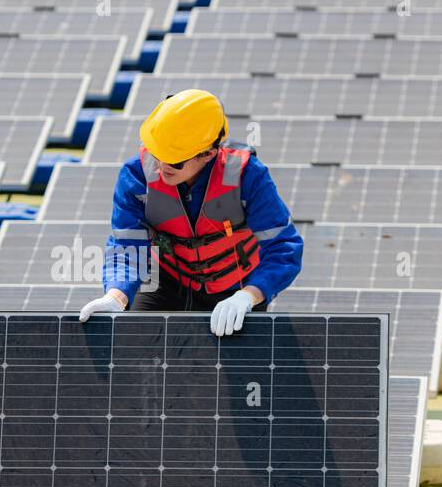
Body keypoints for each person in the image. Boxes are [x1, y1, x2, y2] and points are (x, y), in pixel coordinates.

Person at [78, 89, 304, 335]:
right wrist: (116, 295)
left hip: (236, 290)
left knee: (239, 364)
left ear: (208, 154)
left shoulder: (247, 175)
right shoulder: (136, 174)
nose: (162, 166)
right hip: (166, 282)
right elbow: (127, 247)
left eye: (175, 160)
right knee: (136, 348)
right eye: (157, 153)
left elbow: (283, 249)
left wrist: (248, 296)